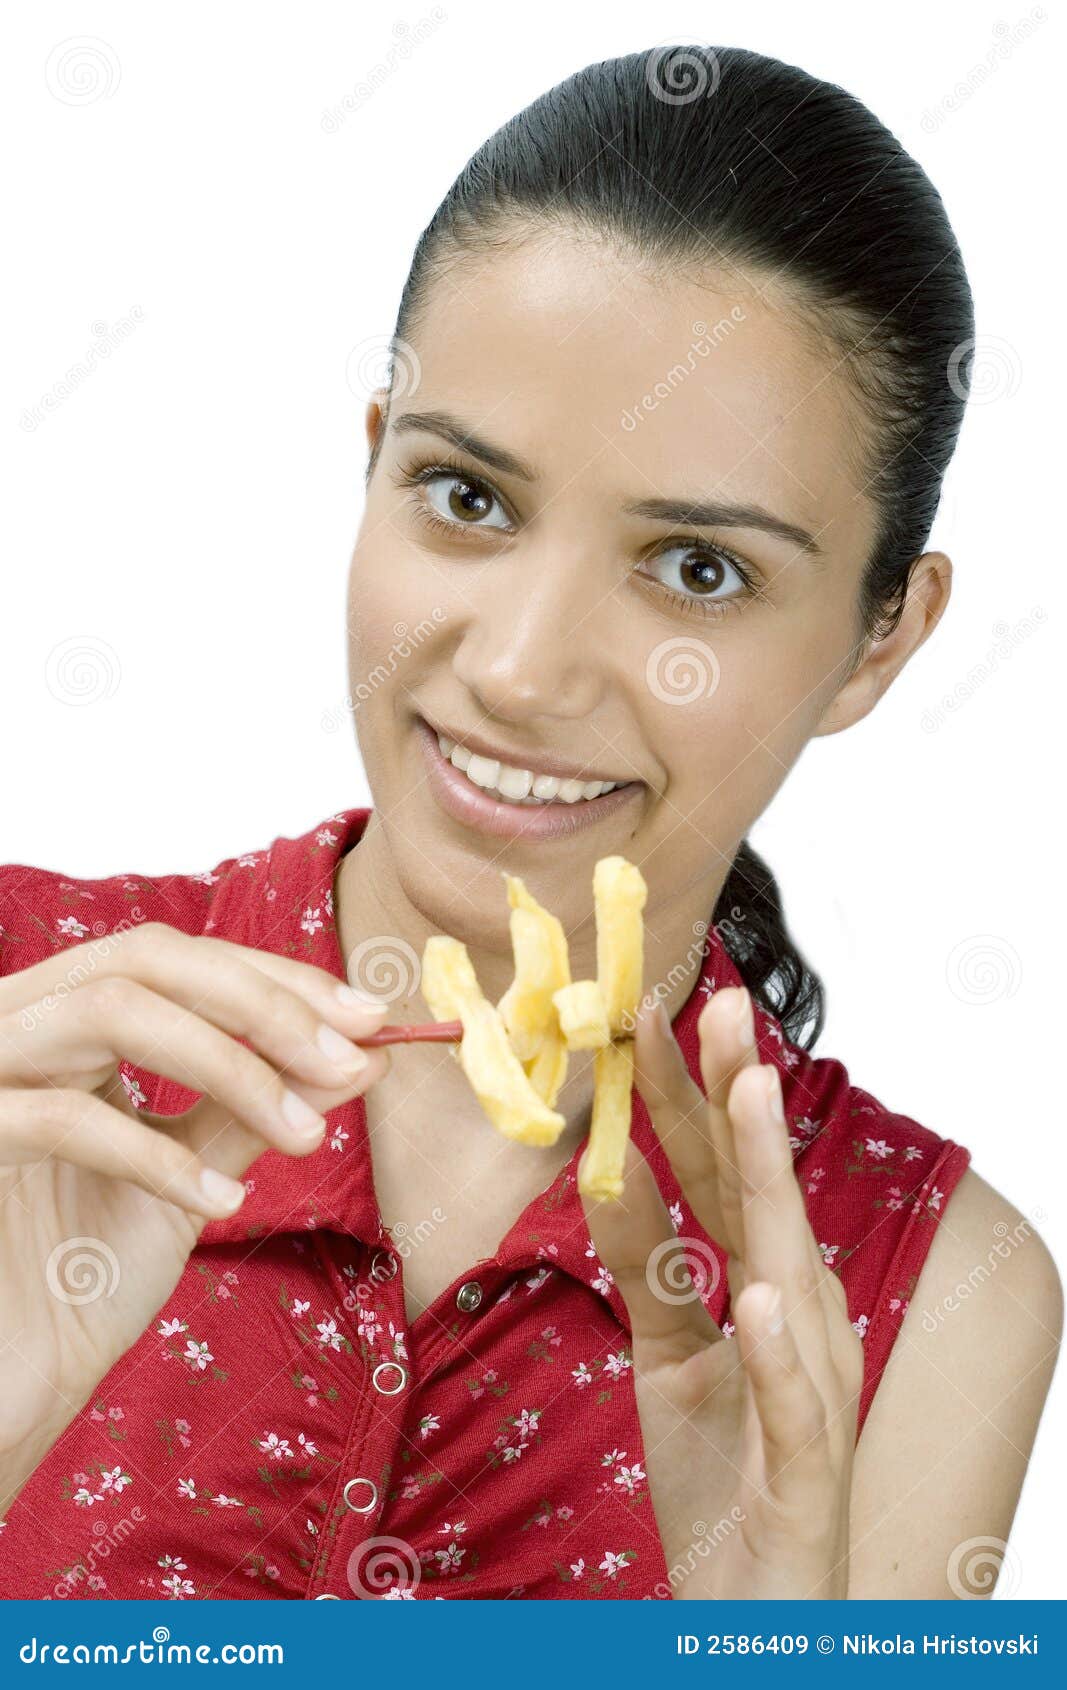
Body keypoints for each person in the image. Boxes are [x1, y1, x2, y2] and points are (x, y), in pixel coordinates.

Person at [0, 44, 1059, 1602]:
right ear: (375, 461)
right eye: (469, 498)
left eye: (698, 568)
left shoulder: (935, 1293)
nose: (515, 667)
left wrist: (768, 1636)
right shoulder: (28, 1027)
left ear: (883, 634)